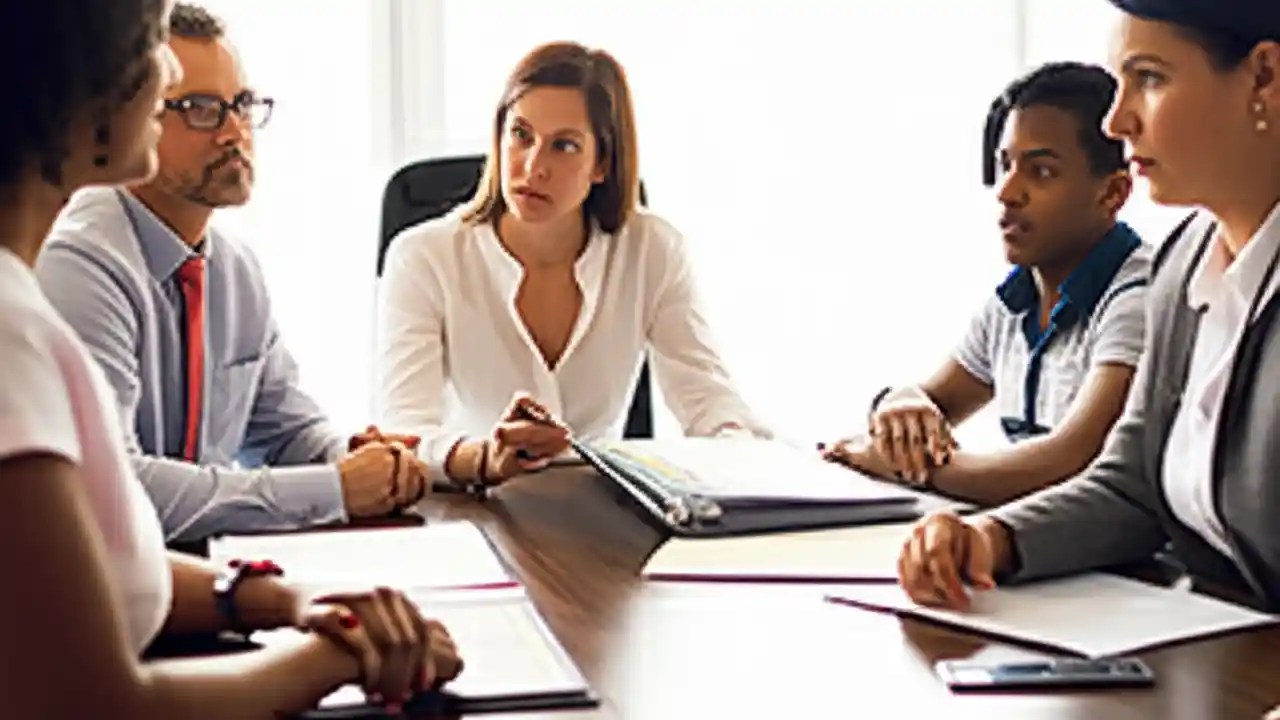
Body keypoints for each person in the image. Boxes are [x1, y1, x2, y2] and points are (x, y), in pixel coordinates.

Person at [0, 1, 460, 717]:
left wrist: (272, 595)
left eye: (239, 103)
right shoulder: (17, 330)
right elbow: (95, 700)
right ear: (81, 99)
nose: (235, 126)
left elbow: (106, 563)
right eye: (154, 60)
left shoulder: (27, 308)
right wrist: (336, 655)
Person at [898, 0, 1280, 613]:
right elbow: (1134, 488)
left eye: (1149, 78)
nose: (1116, 121)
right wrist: (991, 539)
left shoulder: (1140, 281)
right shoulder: (1183, 261)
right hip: (1206, 645)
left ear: (1263, 76)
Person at [35, 3, 425, 544]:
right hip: (119, 585)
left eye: (241, 103)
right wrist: (335, 488)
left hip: (203, 570)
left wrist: (365, 463)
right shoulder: (79, 262)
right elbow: (118, 489)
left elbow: (284, 428)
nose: (234, 131)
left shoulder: (233, 267)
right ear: (138, 111)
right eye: (199, 108)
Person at [376, 41, 768, 487]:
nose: (533, 166)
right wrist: (485, 457)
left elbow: (710, 402)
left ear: (602, 163)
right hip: (473, 509)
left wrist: (761, 466)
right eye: (520, 135)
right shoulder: (423, 257)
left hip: (600, 516)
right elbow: (403, 435)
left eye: (563, 145)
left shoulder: (653, 249)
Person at [825, 62, 1149, 506]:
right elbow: (930, 400)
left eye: (1042, 172)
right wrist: (898, 402)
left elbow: (1070, 462)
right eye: (1005, 166)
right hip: (1042, 551)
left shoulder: (1140, 295)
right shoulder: (1013, 303)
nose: (1007, 192)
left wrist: (911, 467)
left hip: (1128, 567)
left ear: (1112, 193)